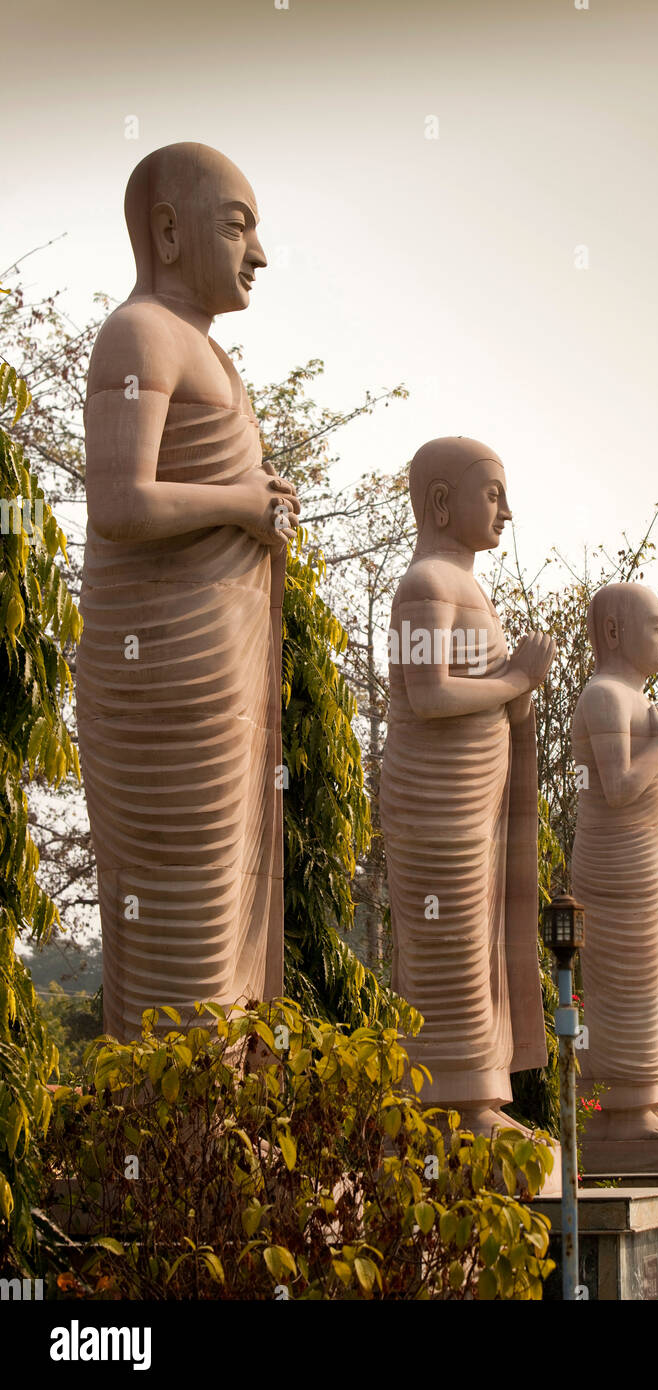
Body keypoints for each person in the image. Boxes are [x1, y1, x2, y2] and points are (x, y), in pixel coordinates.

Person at [77, 143, 299, 1040]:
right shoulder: (140, 334)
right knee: (181, 903)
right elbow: (119, 501)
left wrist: (252, 503)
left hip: (219, 675)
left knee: (224, 895)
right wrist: (245, 503)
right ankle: (181, 1136)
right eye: (238, 225)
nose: (259, 254)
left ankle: (208, 1134)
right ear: (169, 232)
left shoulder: (201, 349)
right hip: (164, 675)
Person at [380, 436, 555, 1133]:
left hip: (475, 797)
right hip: (434, 798)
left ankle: (471, 1095)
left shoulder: (467, 586)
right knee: (446, 939)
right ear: (443, 503)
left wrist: (516, 695)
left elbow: (480, 695)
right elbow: (425, 697)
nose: (507, 511)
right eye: (493, 494)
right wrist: (516, 679)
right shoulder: (424, 585)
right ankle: (447, 1100)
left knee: (477, 938)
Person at [570, 581, 658, 1141]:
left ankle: (643, 1103)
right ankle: (620, 1112)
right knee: (621, 985)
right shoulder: (604, 695)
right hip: (614, 868)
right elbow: (620, 786)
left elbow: (648, 785)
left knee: (652, 981)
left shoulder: (638, 700)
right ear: (616, 632)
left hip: (645, 865)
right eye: (657, 625)